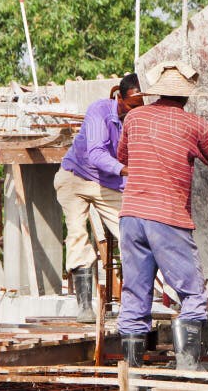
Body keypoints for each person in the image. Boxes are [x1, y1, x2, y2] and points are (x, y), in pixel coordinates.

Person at [115, 62, 208, 369]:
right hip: (168, 219)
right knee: (192, 292)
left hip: (131, 217)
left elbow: (122, 156)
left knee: (135, 292)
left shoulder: (135, 117)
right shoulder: (194, 126)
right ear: (186, 97)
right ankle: (187, 369)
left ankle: (132, 371)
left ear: (156, 92)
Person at [54, 73, 144, 323]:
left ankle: (133, 305)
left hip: (110, 183)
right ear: (120, 98)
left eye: (140, 108)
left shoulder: (140, 118)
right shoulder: (99, 111)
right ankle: (84, 307)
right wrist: (125, 170)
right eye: (132, 107)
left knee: (132, 236)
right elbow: (95, 153)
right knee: (77, 235)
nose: (135, 113)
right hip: (76, 178)